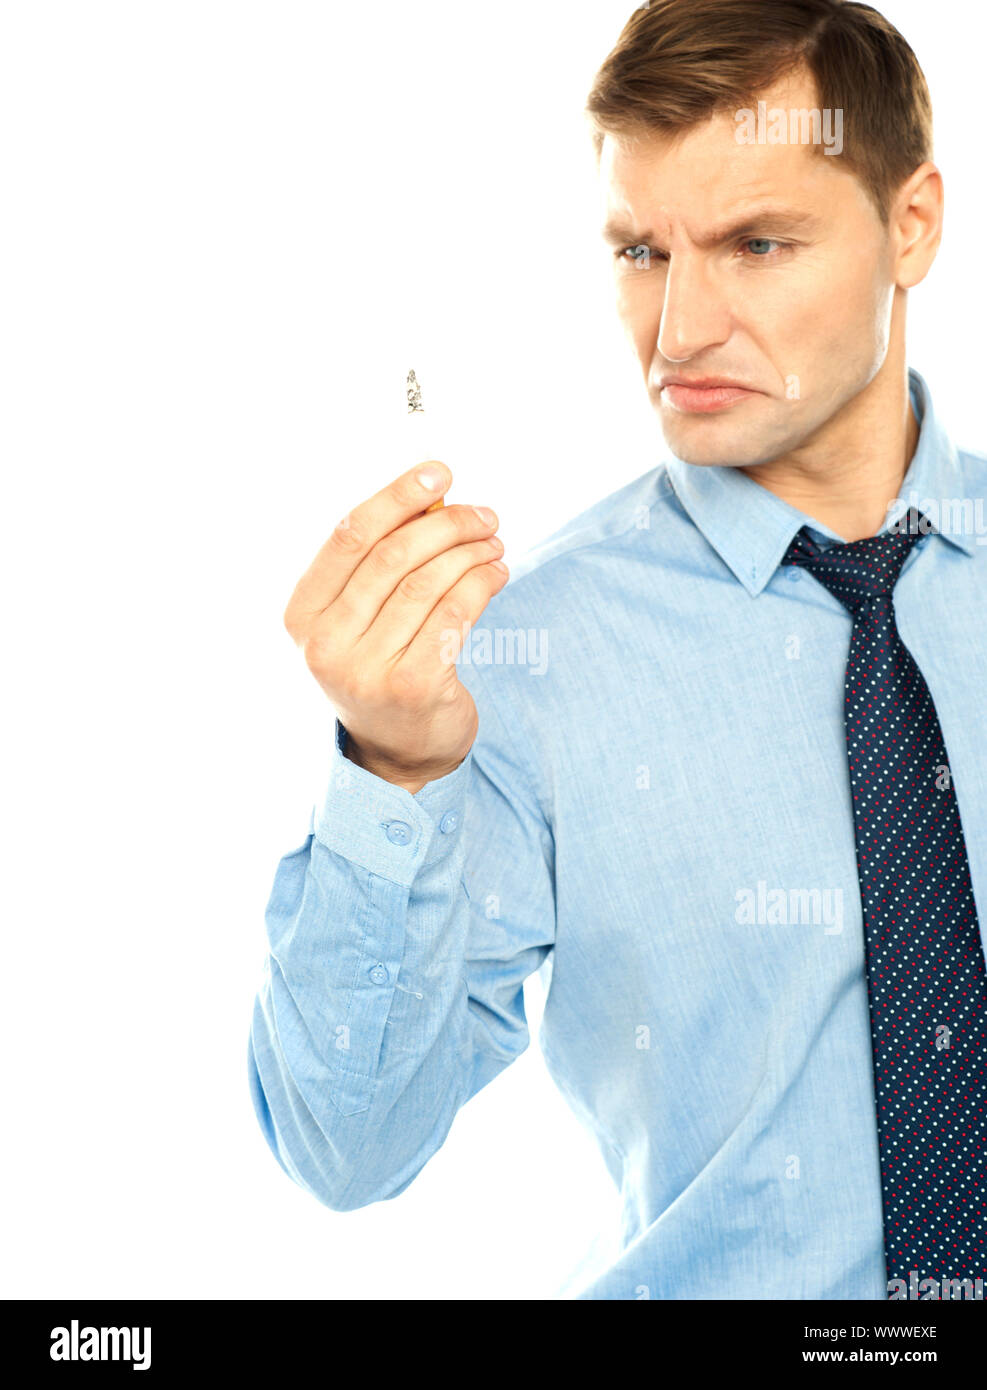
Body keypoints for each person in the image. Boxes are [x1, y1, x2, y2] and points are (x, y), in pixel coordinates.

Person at [248, 0, 987, 1300]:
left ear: (911, 223)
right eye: (641, 252)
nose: (679, 327)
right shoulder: (525, 649)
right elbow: (343, 1147)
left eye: (757, 242)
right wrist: (390, 772)